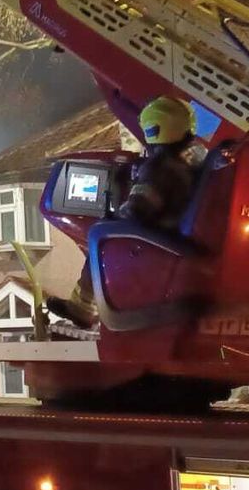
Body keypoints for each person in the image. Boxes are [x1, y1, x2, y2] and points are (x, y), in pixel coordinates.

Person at [48, 96, 207, 328]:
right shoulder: (193, 157)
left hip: (160, 239)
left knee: (99, 234)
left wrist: (112, 216)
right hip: (175, 234)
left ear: (154, 128)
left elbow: (138, 211)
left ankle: (82, 309)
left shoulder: (160, 165)